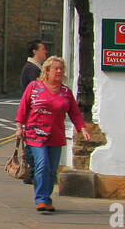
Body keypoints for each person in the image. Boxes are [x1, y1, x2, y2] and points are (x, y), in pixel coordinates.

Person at [15, 55, 89, 213]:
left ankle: (47, 198)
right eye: (55, 68)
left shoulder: (65, 92)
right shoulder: (34, 87)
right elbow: (23, 107)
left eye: (61, 69)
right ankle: (40, 199)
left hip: (56, 135)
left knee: (51, 169)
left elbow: (75, 113)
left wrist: (82, 128)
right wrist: (19, 127)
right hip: (35, 133)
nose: (59, 71)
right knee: (42, 164)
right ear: (46, 71)